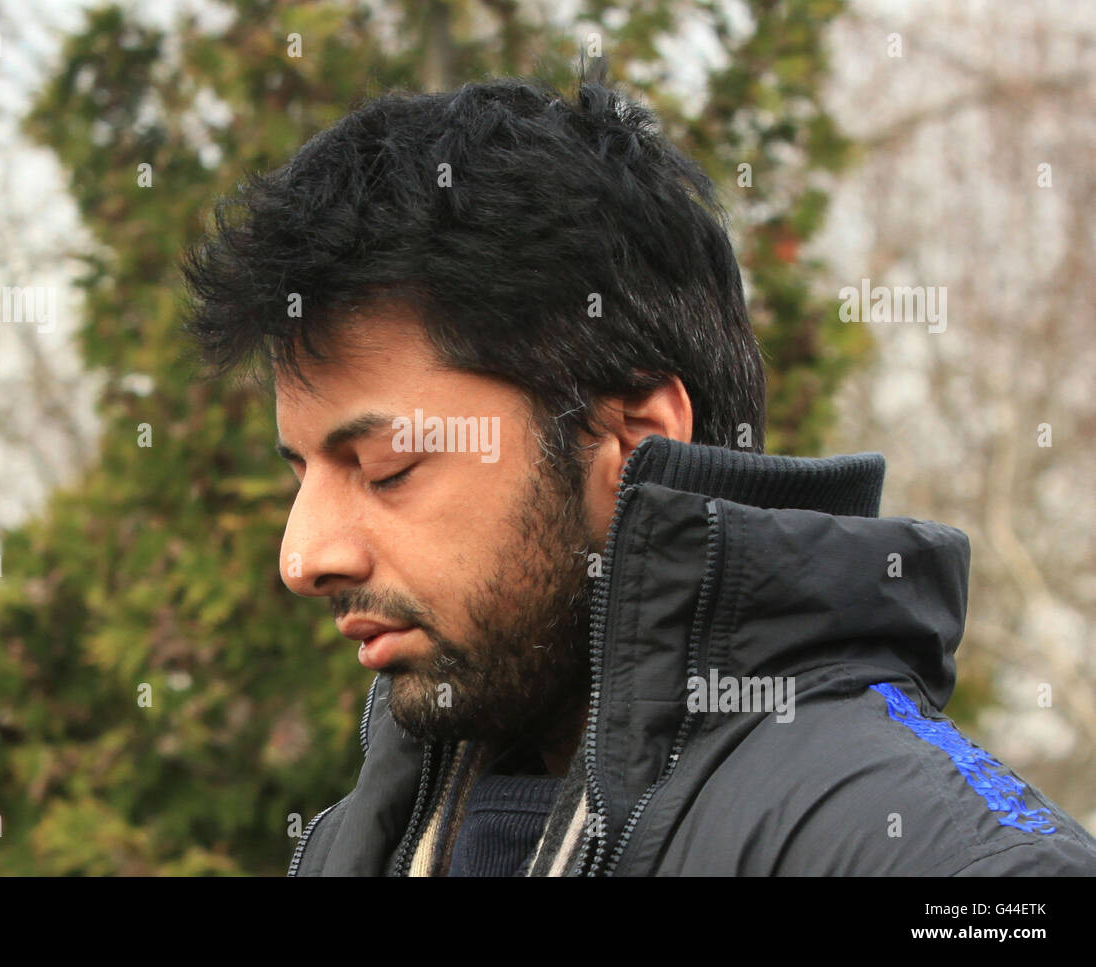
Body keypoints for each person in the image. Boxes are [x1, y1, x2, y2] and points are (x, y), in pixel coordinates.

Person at [181, 68, 1096, 876]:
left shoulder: (938, 858)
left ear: (633, 444)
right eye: (300, 473)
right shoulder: (366, 844)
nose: (302, 556)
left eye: (385, 467)